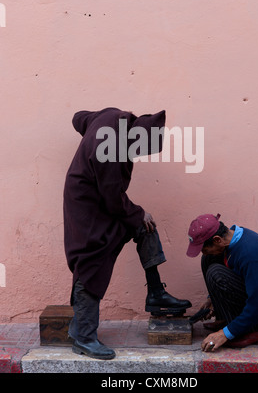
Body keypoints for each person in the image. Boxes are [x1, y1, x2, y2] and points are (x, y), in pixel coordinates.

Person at [63, 107, 191, 359]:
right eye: (137, 150)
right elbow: (112, 198)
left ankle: (156, 294)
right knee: (90, 261)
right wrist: (138, 212)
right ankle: (83, 336)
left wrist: (88, 133)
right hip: (87, 205)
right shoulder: (109, 148)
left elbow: (79, 117)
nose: (137, 155)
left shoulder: (115, 116)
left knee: (144, 226)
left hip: (99, 197)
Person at [186, 213, 258, 351]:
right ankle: (228, 319)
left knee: (216, 273)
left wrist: (225, 334)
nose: (203, 252)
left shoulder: (251, 255)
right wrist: (211, 299)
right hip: (256, 298)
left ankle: (254, 330)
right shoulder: (232, 238)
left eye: (204, 249)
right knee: (209, 259)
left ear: (217, 239)